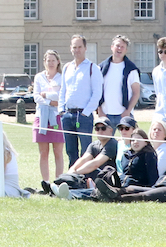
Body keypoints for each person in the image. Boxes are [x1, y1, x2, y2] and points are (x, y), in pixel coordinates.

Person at [95, 130, 166, 203]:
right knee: (130, 188)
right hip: (161, 186)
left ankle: (114, 199)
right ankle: (112, 191)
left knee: (145, 196)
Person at [58, 35, 101, 169]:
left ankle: (85, 179)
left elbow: (97, 93)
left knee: (86, 152)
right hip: (68, 115)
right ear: (71, 48)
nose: (77, 50)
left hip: (84, 116)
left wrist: (86, 112)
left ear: (85, 48)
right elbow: (62, 90)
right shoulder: (67, 67)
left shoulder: (92, 68)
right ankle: (72, 179)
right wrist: (61, 110)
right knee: (70, 151)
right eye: (74, 47)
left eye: (79, 47)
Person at [45, 118, 117, 197]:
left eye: (103, 128)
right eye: (97, 128)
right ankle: (58, 187)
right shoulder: (94, 145)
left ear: (111, 130)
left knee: (83, 174)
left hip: (108, 178)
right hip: (97, 175)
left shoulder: (112, 144)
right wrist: (72, 171)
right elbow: (83, 159)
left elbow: (96, 163)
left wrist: (76, 173)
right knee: (78, 174)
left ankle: (64, 189)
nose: (100, 131)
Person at [31, 50, 64, 182]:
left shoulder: (62, 77)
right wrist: (51, 101)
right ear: (44, 62)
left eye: (53, 60)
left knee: (58, 152)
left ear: (58, 62)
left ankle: (59, 181)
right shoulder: (39, 77)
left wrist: (47, 95)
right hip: (41, 117)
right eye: (48, 60)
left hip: (57, 117)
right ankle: (46, 182)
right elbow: (36, 96)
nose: (50, 63)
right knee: (43, 153)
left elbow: (61, 97)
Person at [98, 35, 141, 126]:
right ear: (112, 47)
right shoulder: (101, 68)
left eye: (122, 47)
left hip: (124, 114)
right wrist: (99, 111)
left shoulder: (131, 69)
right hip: (105, 114)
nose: (119, 49)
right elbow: (96, 91)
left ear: (126, 50)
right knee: (105, 140)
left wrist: (127, 111)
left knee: (127, 140)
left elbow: (136, 93)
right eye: (117, 46)